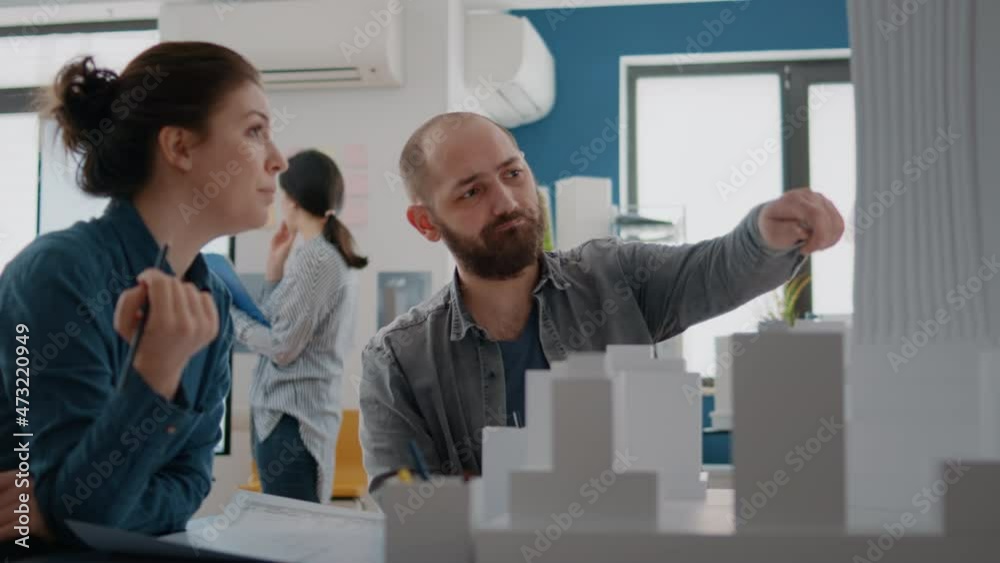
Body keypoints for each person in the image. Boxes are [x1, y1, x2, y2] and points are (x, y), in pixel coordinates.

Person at [359, 112, 845, 490]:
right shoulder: (397, 360)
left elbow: (717, 269)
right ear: (426, 223)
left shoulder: (617, 279)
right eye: (471, 192)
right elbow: (402, 503)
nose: (506, 201)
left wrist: (767, 233)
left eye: (513, 173)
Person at [0, 42, 287, 550]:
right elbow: (81, 515)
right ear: (179, 147)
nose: (278, 160)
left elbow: (190, 485)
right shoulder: (57, 273)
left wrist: (63, 511)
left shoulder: (213, 301)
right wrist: (155, 375)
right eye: (254, 131)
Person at [232, 149, 366, 503]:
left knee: (290, 545)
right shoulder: (321, 255)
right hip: (290, 422)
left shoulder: (318, 259)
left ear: (291, 200)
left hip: (290, 423)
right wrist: (274, 272)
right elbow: (280, 328)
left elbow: (282, 347)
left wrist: (230, 317)